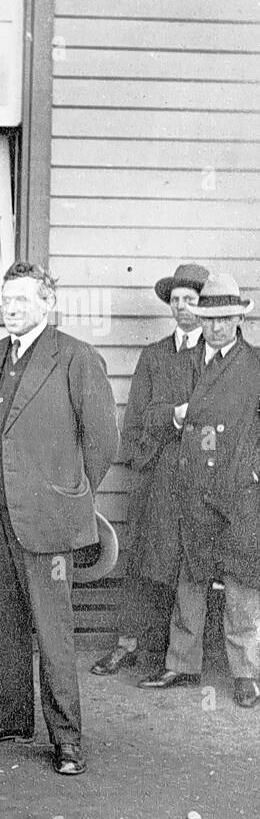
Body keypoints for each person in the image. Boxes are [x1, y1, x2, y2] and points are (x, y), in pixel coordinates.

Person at [0, 262, 119, 776]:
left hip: (47, 519)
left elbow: (101, 441)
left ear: (47, 304)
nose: (12, 309)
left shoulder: (76, 357)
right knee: (1, 618)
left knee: (52, 629)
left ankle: (67, 739)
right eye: (7, 299)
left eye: (23, 300)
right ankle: (9, 716)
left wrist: (68, 494)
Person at [139, 274, 260, 708]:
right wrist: (177, 414)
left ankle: (246, 673)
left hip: (240, 492)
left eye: (226, 318)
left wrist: (254, 472)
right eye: (210, 318)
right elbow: (150, 415)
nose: (217, 327)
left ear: (238, 318)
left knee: (243, 583)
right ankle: (182, 663)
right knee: (190, 575)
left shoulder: (255, 364)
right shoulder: (182, 362)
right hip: (190, 487)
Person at [90, 263, 207, 678]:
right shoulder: (155, 355)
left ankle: (176, 657)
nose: (181, 308)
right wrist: (171, 418)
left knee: (189, 564)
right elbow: (138, 419)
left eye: (189, 300)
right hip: (157, 474)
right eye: (175, 300)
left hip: (201, 479)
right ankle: (129, 644)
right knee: (143, 559)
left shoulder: (215, 356)